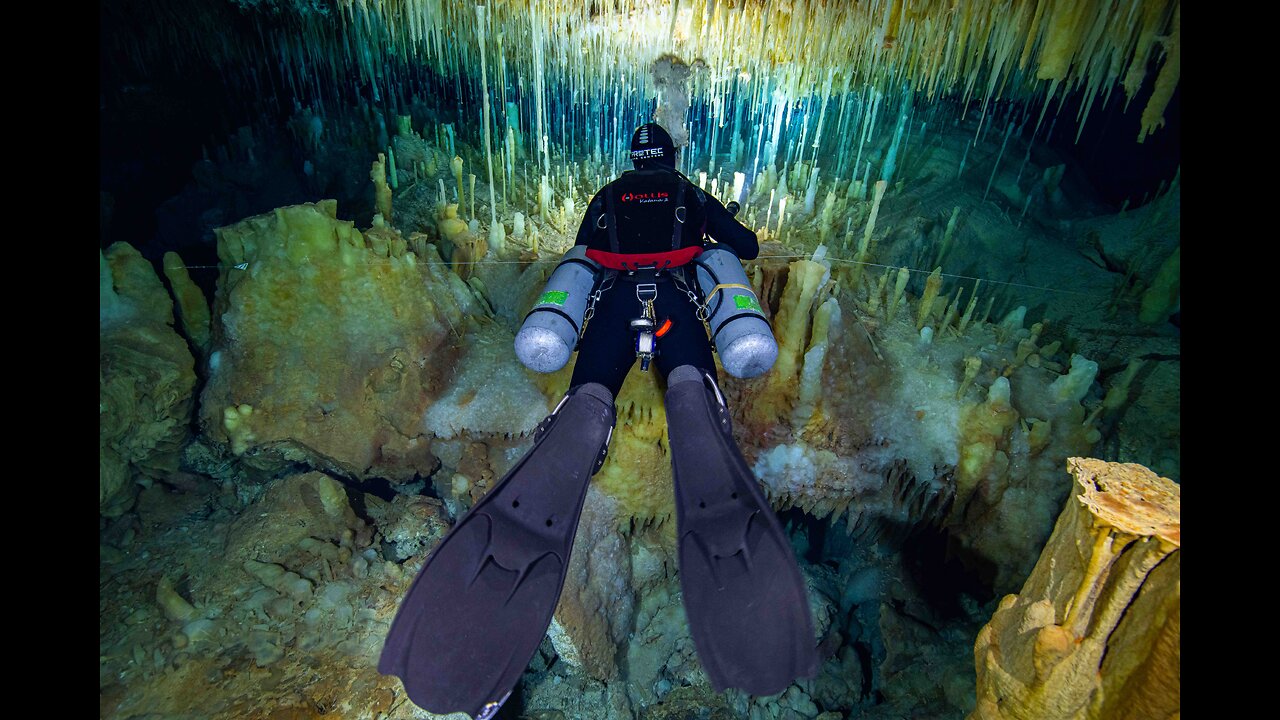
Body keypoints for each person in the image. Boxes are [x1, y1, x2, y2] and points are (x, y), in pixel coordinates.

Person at [379, 124, 817, 719]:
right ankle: (696, 412)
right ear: (669, 158)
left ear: (632, 159)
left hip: (614, 307)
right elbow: (745, 246)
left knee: (589, 392)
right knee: (690, 382)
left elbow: (581, 253)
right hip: (675, 307)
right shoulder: (689, 192)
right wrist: (719, 226)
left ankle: (583, 422)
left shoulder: (608, 195)